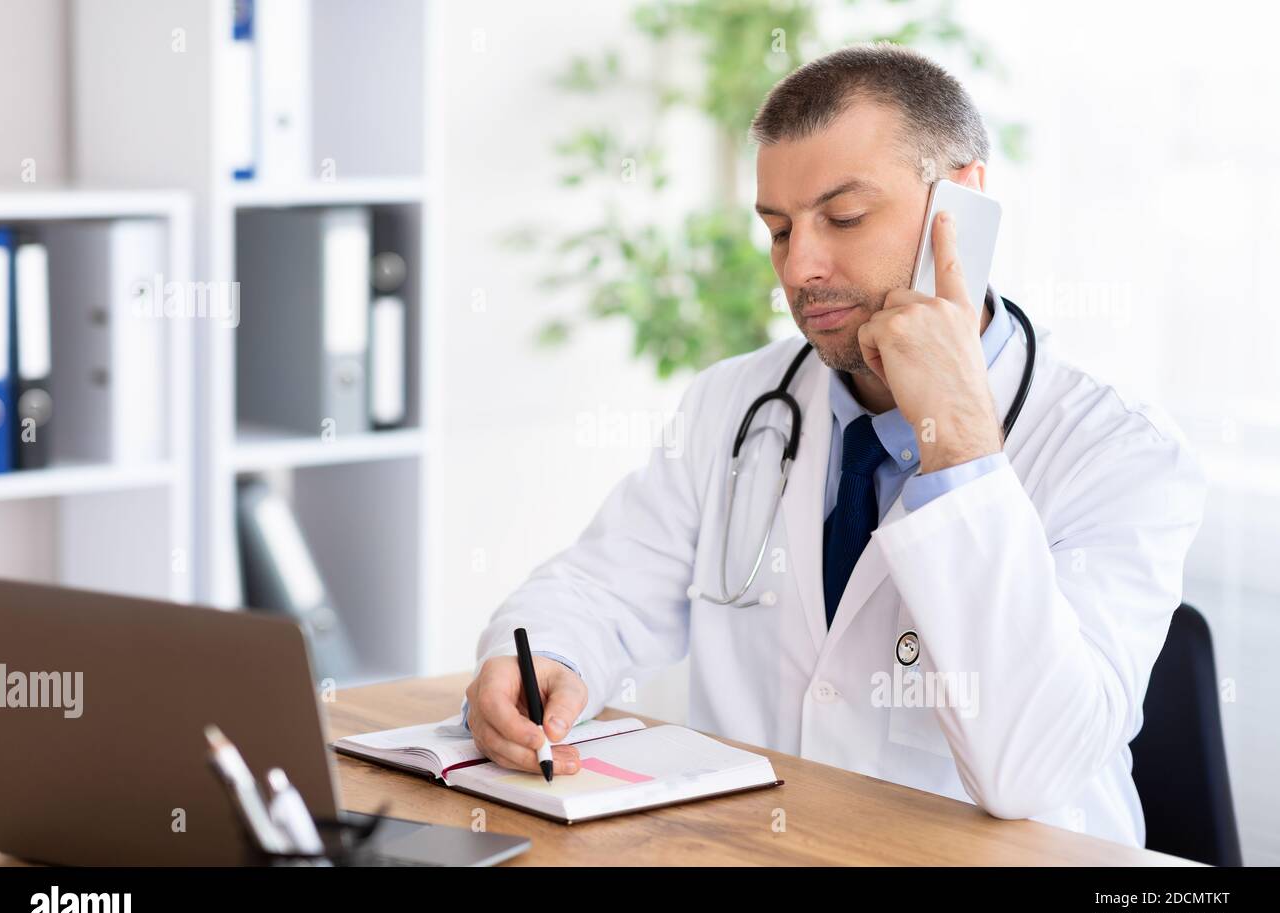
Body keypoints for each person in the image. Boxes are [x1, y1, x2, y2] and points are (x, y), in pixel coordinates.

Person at [460, 42, 1205, 846]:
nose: (801, 266)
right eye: (779, 230)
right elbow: (600, 592)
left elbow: (1032, 768)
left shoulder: (1122, 453)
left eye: (844, 218)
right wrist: (542, 660)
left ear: (962, 208)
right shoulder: (736, 403)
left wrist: (956, 442)